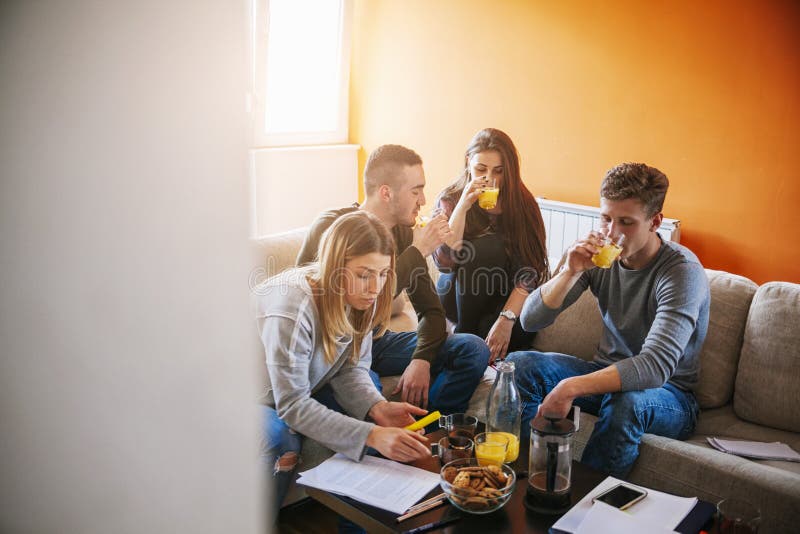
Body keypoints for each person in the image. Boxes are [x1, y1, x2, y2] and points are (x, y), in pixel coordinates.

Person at [505, 162, 710, 478]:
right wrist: (570, 272)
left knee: (626, 402)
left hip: (669, 394)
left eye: (626, 222)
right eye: (605, 218)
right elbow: (530, 321)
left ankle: (584, 501)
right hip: (605, 375)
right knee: (520, 364)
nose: (611, 233)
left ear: (655, 222)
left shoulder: (681, 272)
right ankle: (531, 476)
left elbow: (655, 367)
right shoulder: (597, 257)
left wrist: (570, 387)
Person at [256, 211, 432, 513]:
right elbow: (292, 404)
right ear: (336, 269)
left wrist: (377, 407)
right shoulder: (292, 306)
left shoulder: (362, 298)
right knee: (280, 439)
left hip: (301, 388)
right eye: (364, 274)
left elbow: (350, 368)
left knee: (367, 413)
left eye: (383, 273)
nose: (375, 287)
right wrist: (372, 435)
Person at [297, 144, 489, 414]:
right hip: (336, 351)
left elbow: (432, 312)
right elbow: (329, 308)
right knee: (370, 398)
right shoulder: (331, 228)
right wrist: (418, 251)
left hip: (376, 343)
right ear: (386, 193)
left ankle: (430, 427)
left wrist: (422, 359)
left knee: (473, 348)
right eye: (416, 191)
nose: (423, 200)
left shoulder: (402, 235)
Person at [433, 128, 549, 363]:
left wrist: (506, 318)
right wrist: (463, 206)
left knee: (507, 330)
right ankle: (464, 337)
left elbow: (530, 271)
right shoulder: (450, 200)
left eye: (499, 171)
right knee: (483, 248)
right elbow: (445, 263)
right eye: (481, 169)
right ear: (468, 162)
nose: (490, 179)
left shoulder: (523, 205)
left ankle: (472, 345)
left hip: (505, 298)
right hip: (459, 297)